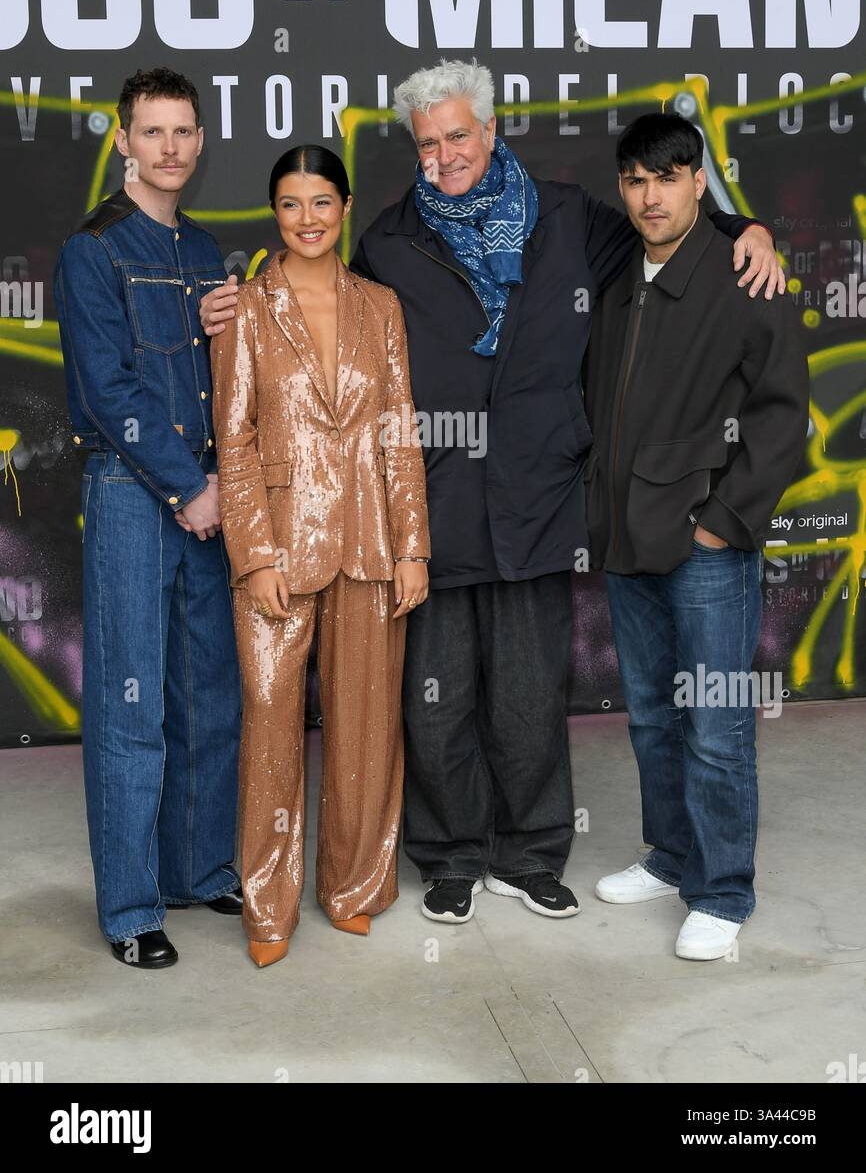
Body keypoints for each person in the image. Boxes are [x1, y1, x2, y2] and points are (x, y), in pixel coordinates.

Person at [201, 60, 784, 927]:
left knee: (528, 691)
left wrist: (751, 229)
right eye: (427, 143)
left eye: (458, 136)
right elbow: (334, 326)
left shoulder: (567, 217)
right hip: (429, 501)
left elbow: (670, 230)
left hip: (540, 490)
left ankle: (532, 852)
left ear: (491, 131)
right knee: (435, 695)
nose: (443, 155)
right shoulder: (391, 240)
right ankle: (450, 857)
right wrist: (236, 307)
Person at [585, 113, 809, 959]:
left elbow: (784, 420)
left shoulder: (745, 276)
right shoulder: (615, 272)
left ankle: (722, 891)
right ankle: (673, 857)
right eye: (636, 180)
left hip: (705, 545)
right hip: (625, 538)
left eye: (669, 178)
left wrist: (723, 524)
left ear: (697, 180)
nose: (651, 196)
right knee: (649, 715)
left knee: (715, 727)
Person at [210, 145, 429, 968]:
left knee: (368, 728)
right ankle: (268, 905)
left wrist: (413, 547)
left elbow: (400, 431)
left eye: (322, 203)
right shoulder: (244, 309)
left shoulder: (381, 306)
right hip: (276, 552)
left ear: (345, 206)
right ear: (275, 213)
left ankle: (355, 885)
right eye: (291, 204)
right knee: (270, 732)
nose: (308, 219)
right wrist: (255, 554)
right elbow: (233, 442)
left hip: (372, 545)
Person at [53, 68, 243, 969]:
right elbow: (107, 386)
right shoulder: (92, 249)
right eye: (152, 132)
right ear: (124, 141)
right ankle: (131, 909)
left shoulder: (208, 252)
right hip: (136, 495)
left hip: (212, 497)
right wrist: (186, 486)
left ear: (201, 141)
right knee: (132, 704)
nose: (169, 148)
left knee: (208, 695)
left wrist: (221, 330)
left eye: (184, 132)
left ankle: (200, 871)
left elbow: (224, 379)